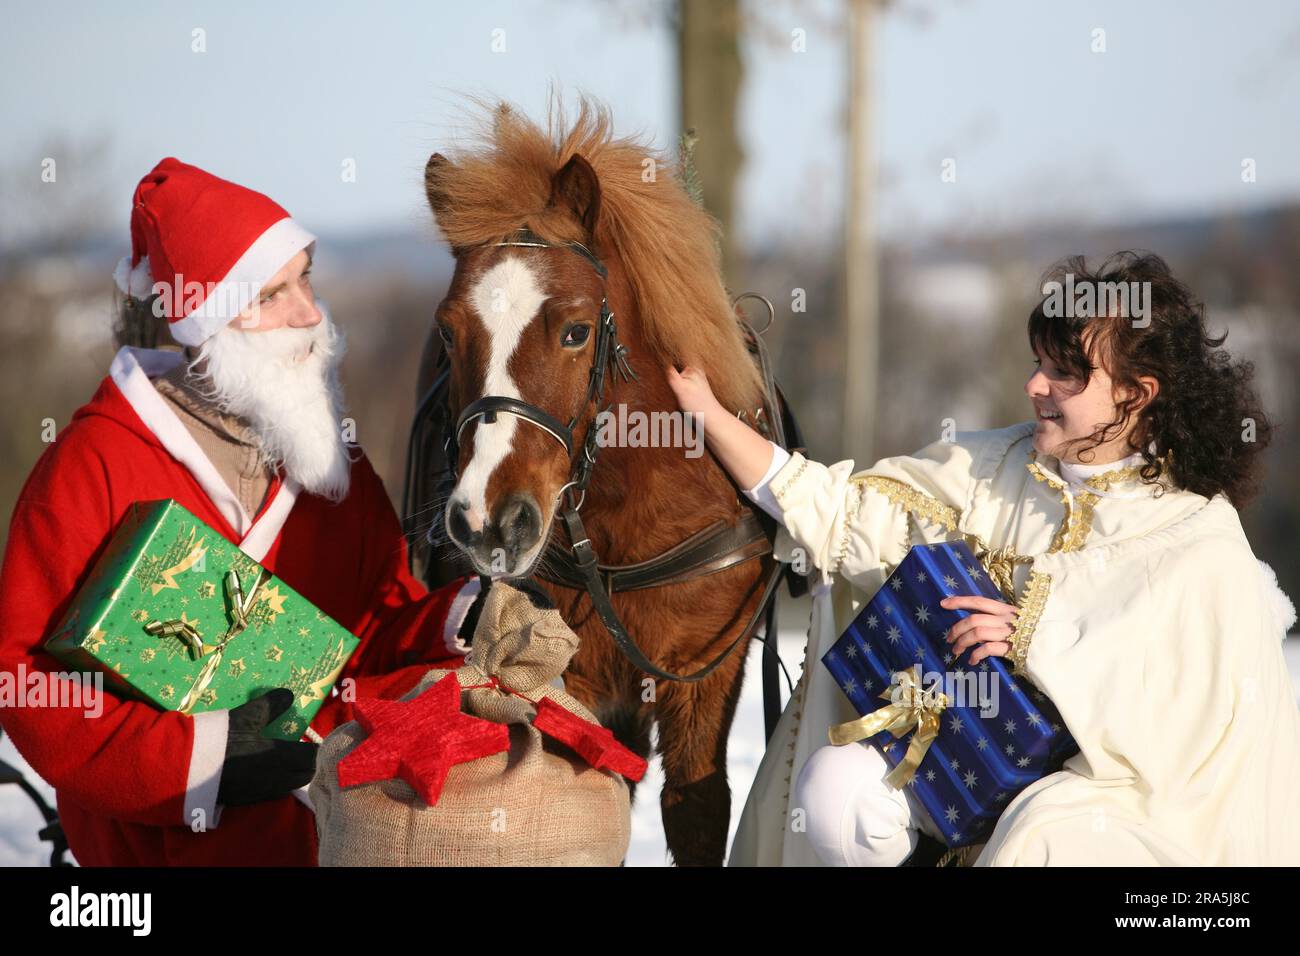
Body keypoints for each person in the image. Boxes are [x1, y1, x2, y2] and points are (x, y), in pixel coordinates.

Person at [667, 251, 1300, 866]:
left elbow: (1186, 714)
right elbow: (838, 512)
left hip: (1113, 799)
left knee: (1045, 834)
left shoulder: (1198, 533)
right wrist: (705, 410)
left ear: (1137, 394)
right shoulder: (992, 465)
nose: (1034, 386)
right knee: (837, 788)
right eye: (1037, 363)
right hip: (960, 753)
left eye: (1066, 373)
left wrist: (1034, 632)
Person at [0, 158, 483, 866]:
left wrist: (458, 616)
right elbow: (25, 678)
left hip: (338, 846)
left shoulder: (331, 467)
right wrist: (203, 761)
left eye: (306, 279)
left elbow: (370, 635)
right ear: (210, 322)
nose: (310, 314)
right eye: (273, 294)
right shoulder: (91, 465)